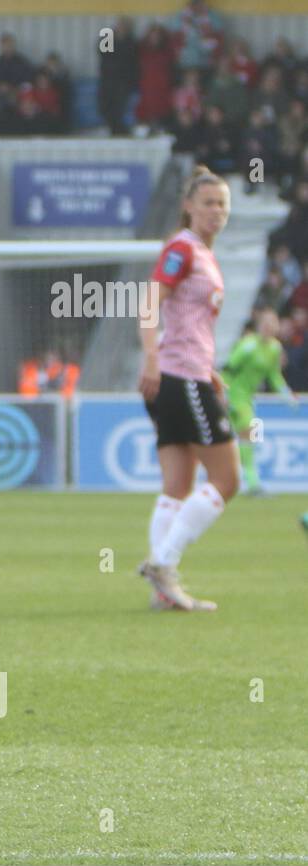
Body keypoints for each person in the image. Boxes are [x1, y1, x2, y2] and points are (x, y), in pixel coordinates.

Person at [137, 165, 238, 611]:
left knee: (177, 483)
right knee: (227, 478)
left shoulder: (203, 253)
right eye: (209, 203)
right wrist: (153, 358)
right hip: (180, 376)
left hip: (188, 373)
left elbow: (190, 323)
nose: (217, 211)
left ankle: (164, 591)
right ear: (189, 207)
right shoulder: (182, 248)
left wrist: (209, 367)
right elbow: (149, 300)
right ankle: (164, 561)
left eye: (223, 204)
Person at [222, 309, 300, 495]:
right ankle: (251, 481)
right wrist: (222, 393)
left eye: (273, 324)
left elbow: (274, 375)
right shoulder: (248, 345)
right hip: (233, 394)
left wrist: (286, 394)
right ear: (260, 326)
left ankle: (246, 480)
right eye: (266, 324)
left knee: (247, 436)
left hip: (248, 397)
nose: (270, 328)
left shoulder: (274, 348)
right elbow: (229, 369)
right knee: (249, 432)